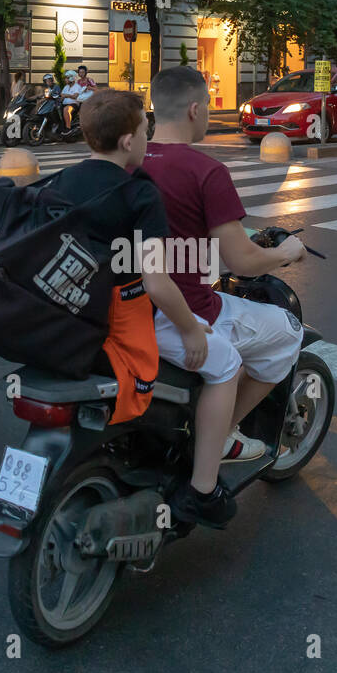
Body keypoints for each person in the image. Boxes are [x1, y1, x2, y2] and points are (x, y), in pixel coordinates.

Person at [140, 66, 307, 528]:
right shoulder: (205, 170)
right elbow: (243, 263)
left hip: (128, 310)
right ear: (195, 109)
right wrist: (285, 252)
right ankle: (216, 448)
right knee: (286, 334)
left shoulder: (130, 159)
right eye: (209, 105)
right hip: (184, 311)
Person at [47, 90, 210, 428]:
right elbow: (157, 282)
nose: (146, 138)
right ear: (126, 141)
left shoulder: (61, 181)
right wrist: (192, 330)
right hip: (117, 329)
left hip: (67, 322)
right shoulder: (140, 192)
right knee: (225, 367)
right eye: (142, 131)